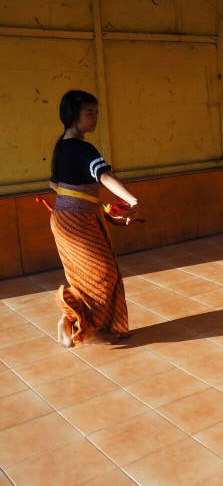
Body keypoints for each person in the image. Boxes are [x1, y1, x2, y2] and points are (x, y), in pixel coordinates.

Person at [49, 90, 140, 347]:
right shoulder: (82, 148)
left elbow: (55, 184)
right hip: (76, 224)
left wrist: (89, 202)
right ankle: (71, 319)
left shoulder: (62, 147)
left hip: (69, 219)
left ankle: (97, 326)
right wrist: (132, 200)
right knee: (103, 273)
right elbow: (104, 176)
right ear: (73, 115)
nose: (95, 118)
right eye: (89, 113)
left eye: (95, 113)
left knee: (92, 273)